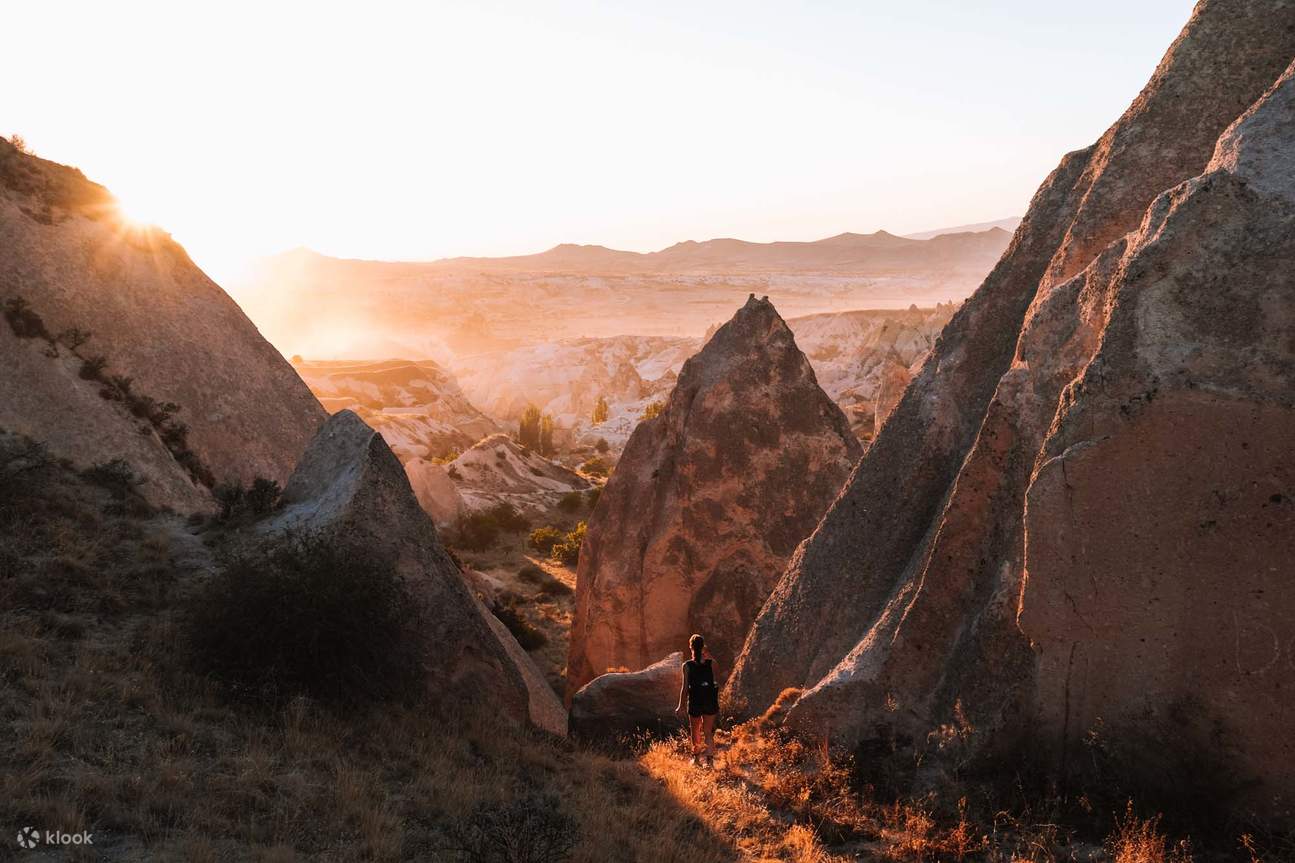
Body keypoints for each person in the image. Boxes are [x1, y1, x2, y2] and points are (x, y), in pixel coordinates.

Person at [675, 633, 719, 766]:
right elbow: (715, 678)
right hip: (710, 700)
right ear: (703, 647)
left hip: (695, 700)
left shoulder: (687, 666)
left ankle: (696, 759)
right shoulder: (712, 663)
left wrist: (680, 706)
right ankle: (710, 762)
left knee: (695, 730)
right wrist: (705, 654)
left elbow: (685, 688)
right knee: (708, 732)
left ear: (691, 647)